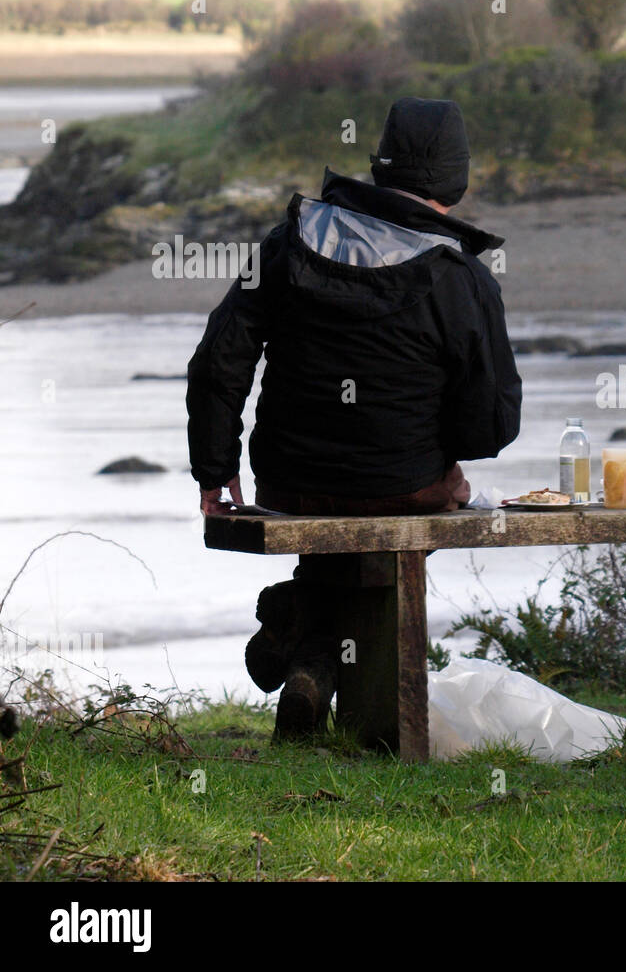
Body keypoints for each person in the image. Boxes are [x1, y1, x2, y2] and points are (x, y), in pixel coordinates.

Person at [186, 98, 521, 738]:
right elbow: (492, 426)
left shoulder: (290, 244)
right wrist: (431, 443)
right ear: (458, 177)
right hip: (407, 484)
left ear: (377, 166)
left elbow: (218, 358)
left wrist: (214, 468)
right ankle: (340, 678)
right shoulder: (464, 279)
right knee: (405, 507)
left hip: (288, 481)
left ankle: (312, 647)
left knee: (345, 526)